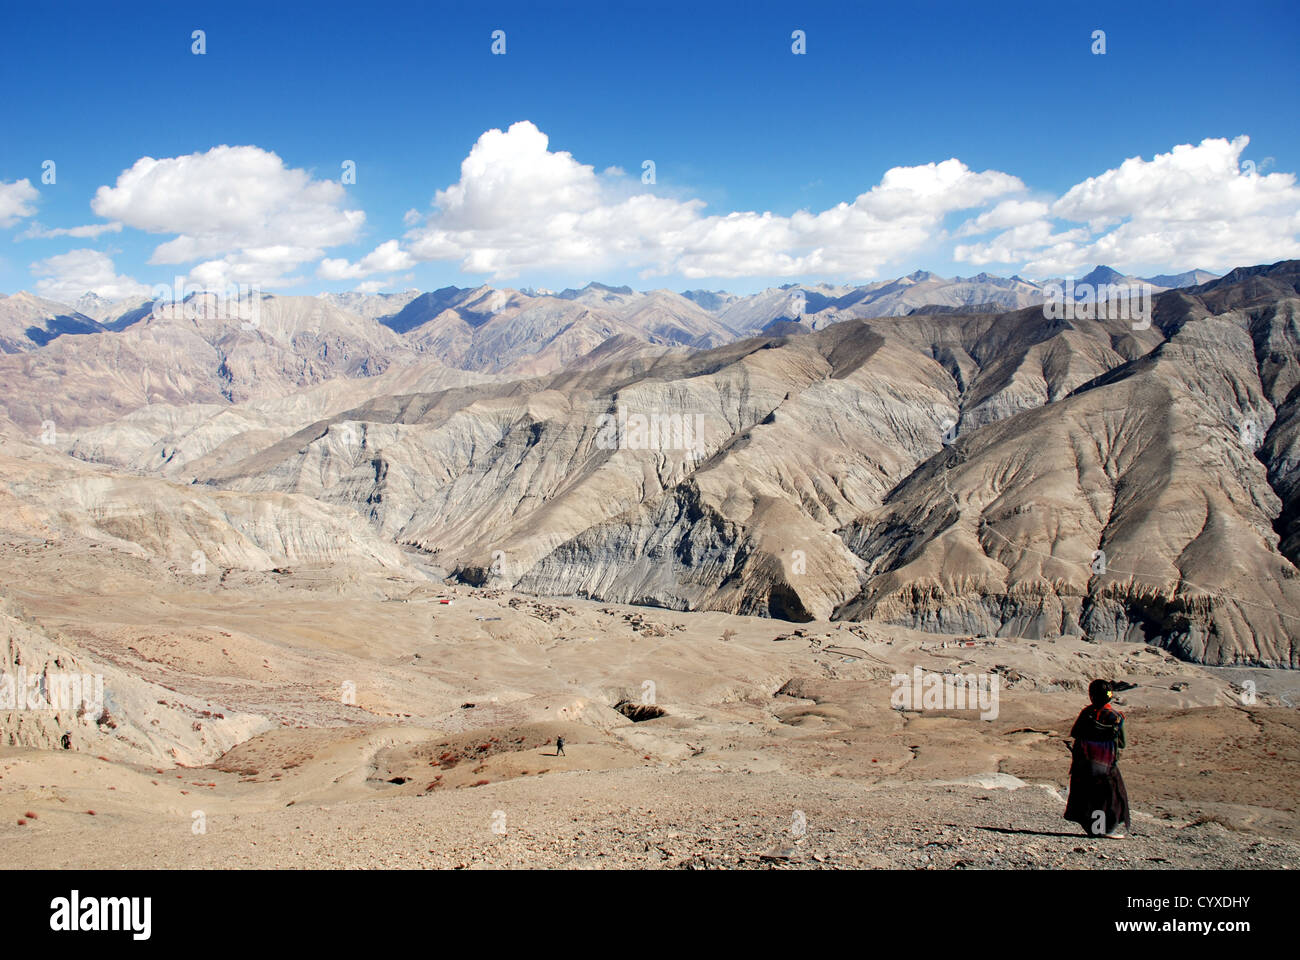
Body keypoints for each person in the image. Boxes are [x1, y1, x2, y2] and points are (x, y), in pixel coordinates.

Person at [1064, 679, 1130, 838]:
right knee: (1109, 799)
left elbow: (1075, 733)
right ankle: (1103, 830)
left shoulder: (1087, 713)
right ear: (1109, 696)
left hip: (1084, 765)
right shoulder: (1116, 717)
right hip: (1107, 766)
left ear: (1092, 696)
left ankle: (1094, 829)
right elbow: (1122, 743)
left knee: (1088, 797)